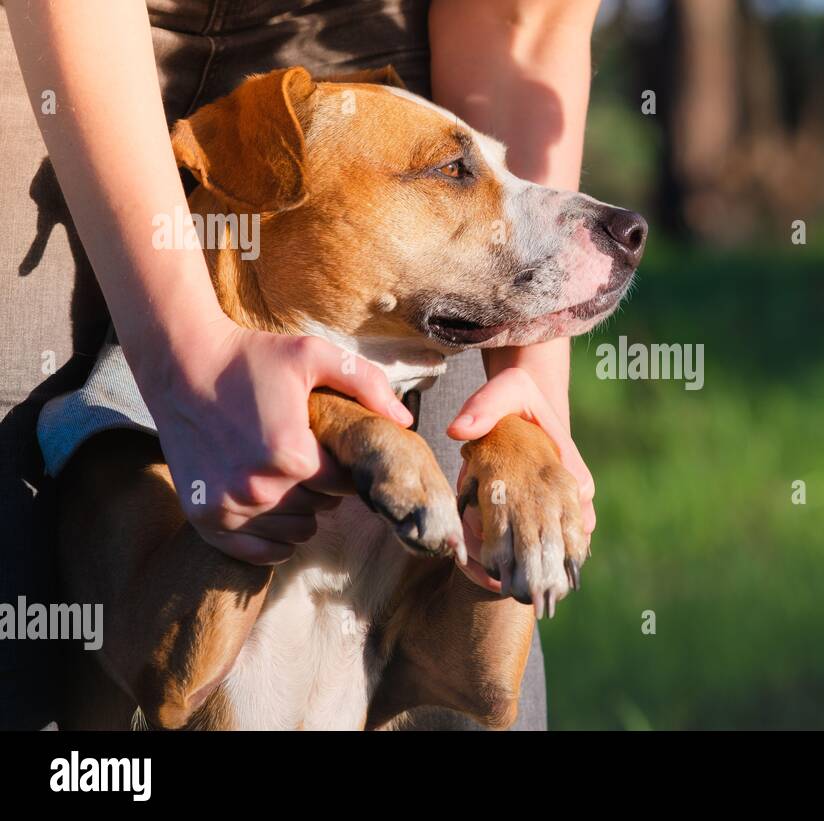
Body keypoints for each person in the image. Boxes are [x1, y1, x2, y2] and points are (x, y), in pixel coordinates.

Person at [0, 0, 601, 730]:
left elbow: (478, 687)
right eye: (456, 171)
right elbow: (171, 679)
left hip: (355, 27)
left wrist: (526, 429)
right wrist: (232, 382)